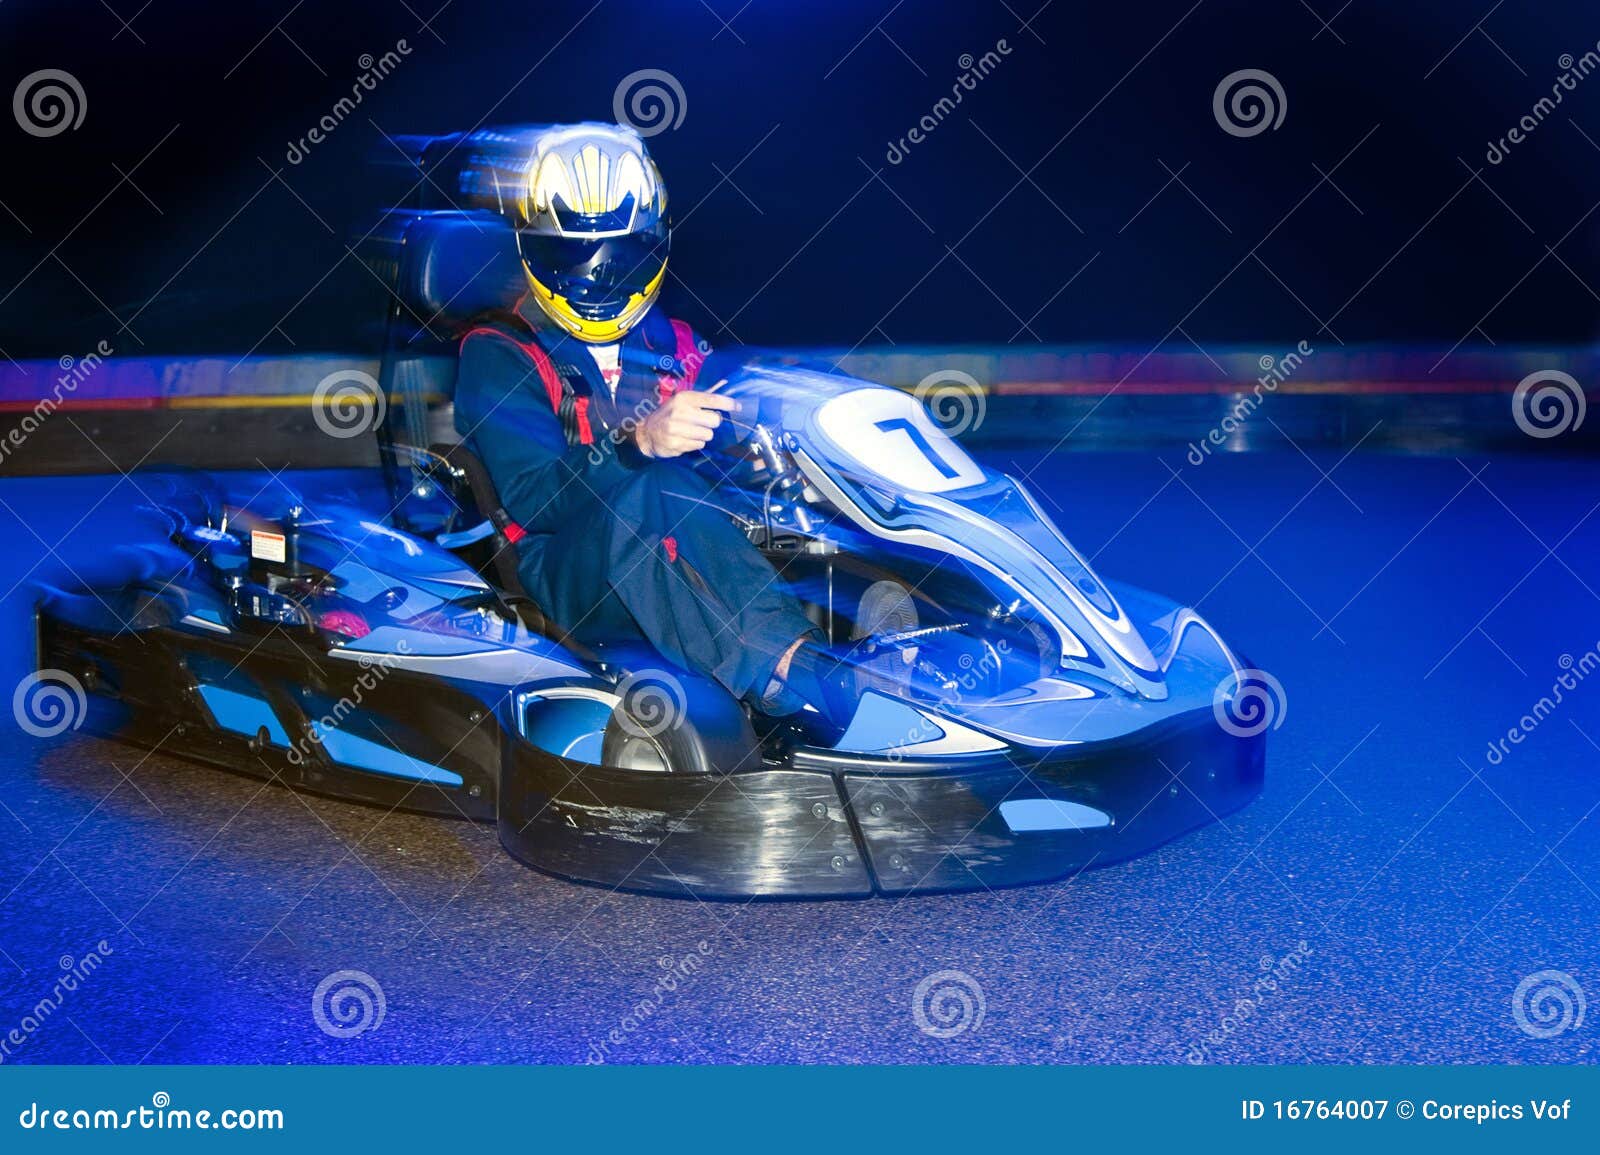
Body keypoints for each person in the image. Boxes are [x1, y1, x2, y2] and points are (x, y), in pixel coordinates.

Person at [452, 124, 904, 728]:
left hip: (674, 546)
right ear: (533, 249)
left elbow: (733, 438)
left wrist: (773, 428)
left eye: (619, 257)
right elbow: (535, 502)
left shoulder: (674, 344)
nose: (595, 277)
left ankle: (903, 642)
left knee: (781, 506)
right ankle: (807, 673)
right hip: (558, 574)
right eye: (573, 255)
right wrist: (637, 444)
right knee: (650, 489)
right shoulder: (498, 352)